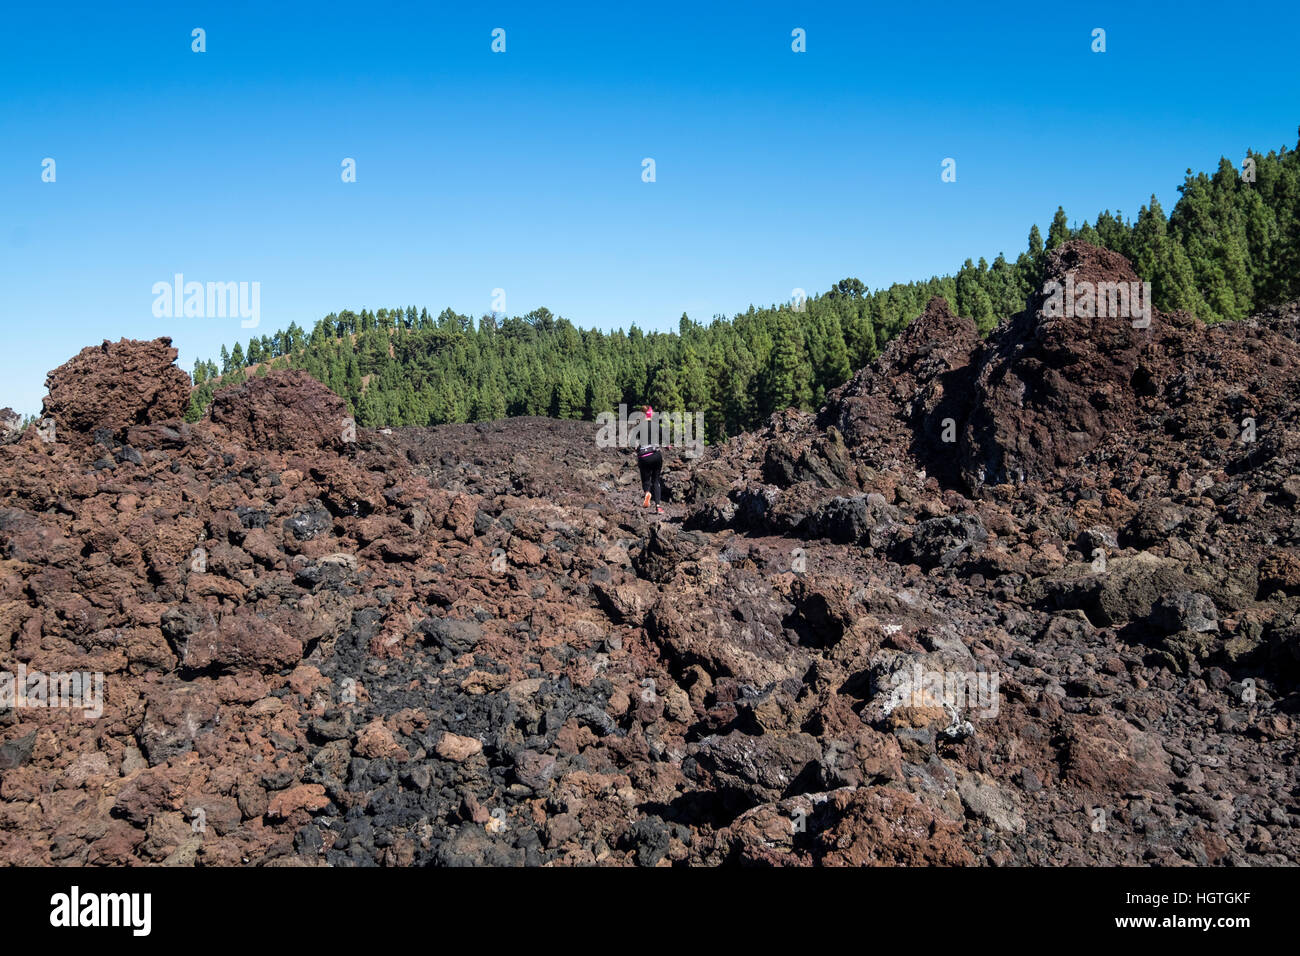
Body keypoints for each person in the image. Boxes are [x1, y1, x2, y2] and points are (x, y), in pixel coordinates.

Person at [635, 405, 665, 515]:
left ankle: (647, 492)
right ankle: (658, 507)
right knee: (656, 480)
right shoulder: (656, 425)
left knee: (646, 480)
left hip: (644, 456)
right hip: (655, 454)